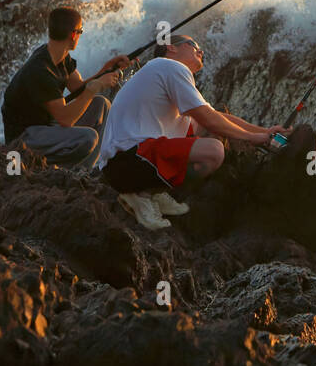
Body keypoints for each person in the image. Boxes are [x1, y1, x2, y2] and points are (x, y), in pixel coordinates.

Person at [95, 34, 291, 229]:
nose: (201, 50)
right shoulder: (169, 66)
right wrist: (252, 138)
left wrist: (265, 132)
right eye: (193, 45)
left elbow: (214, 116)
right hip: (130, 160)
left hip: (119, 166)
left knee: (203, 127)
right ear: (171, 48)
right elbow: (208, 118)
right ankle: (142, 195)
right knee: (213, 151)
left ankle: (150, 190)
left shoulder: (159, 74)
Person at [1, 7, 129, 168]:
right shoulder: (40, 71)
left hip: (45, 126)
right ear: (73, 34)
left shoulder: (58, 56)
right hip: (23, 137)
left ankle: (85, 169)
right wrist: (94, 88)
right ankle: (50, 169)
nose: (80, 35)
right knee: (87, 138)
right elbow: (66, 119)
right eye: (81, 31)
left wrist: (106, 70)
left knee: (101, 104)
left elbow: (77, 88)